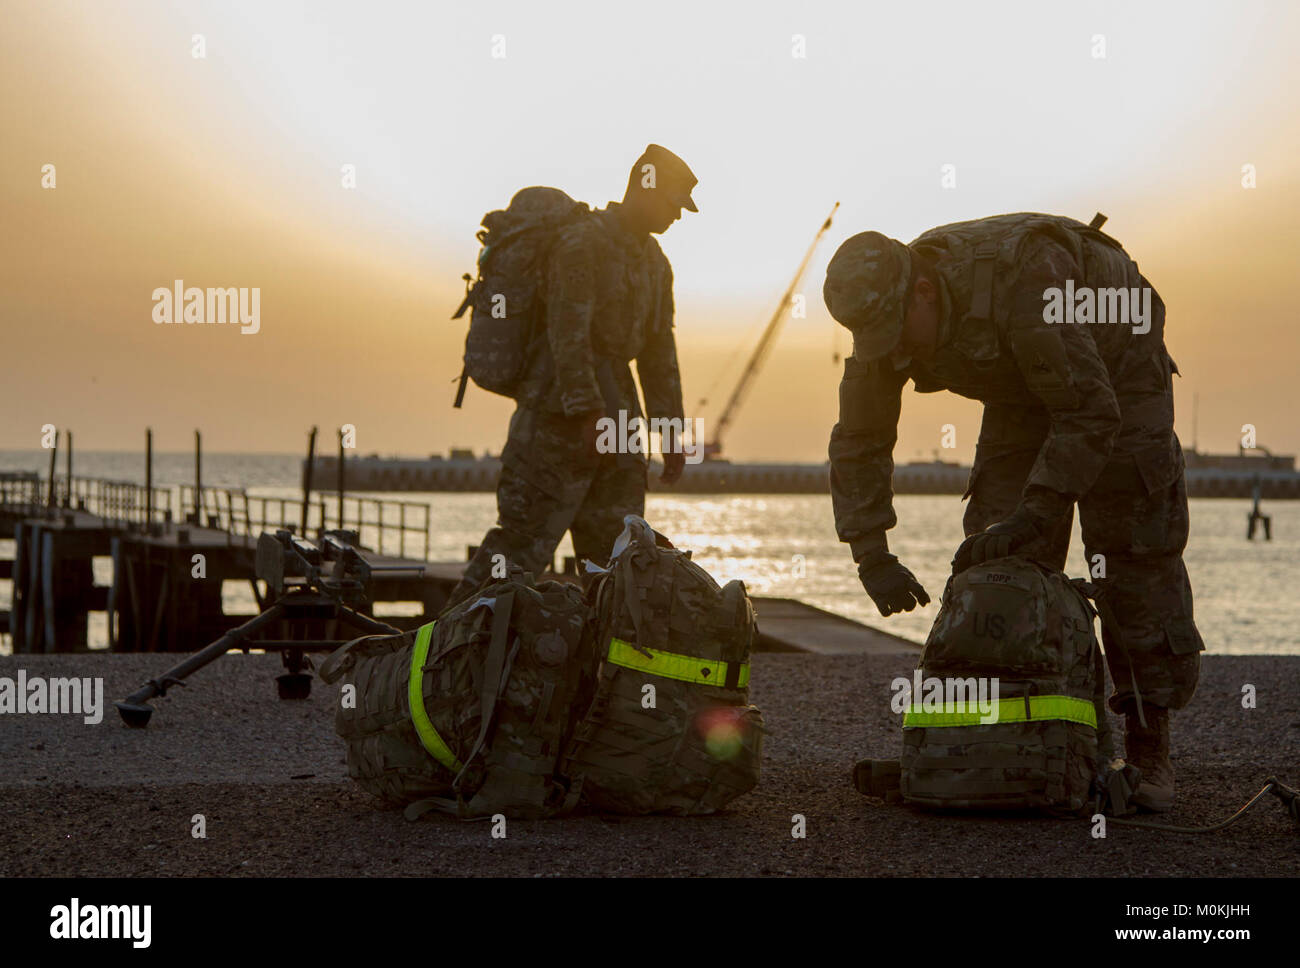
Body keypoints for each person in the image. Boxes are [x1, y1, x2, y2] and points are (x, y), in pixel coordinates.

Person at [823, 213, 1205, 812]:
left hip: (1115, 375)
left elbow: (1090, 413)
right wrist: (871, 553)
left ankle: (1148, 748)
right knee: (996, 565)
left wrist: (1040, 508)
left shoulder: (1027, 283)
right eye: (878, 342)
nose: (894, 353)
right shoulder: (884, 315)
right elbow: (860, 438)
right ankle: (990, 740)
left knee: (1131, 560)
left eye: (899, 334)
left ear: (923, 291)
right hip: (1020, 388)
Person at [449, 144, 696, 603]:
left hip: (620, 428)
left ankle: (607, 670)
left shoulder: (655, 262)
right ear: (645, 187)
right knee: (519, 550)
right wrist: (587, 413)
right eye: (672, 204)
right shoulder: (582, 244)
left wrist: (670, 430)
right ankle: (440, 657)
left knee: (618, 561)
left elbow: (660, 352)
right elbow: (568, 334)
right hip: (554, 421)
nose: (677, 217)